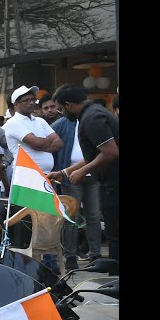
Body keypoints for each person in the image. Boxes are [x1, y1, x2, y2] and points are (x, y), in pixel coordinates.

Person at [50, 85, 118, 264]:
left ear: (68, 105)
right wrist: (65, 172)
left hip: (114, 182)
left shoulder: (92, 118)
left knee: (114, 235)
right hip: (109, 182)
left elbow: (110, 152)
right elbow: (95, 155)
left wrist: (83, 171)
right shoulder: (92, 113)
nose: (61, 113)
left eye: (60, 108)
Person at [3, 85, 65, 270]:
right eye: (27, 100)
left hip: (46, 177)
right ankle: (33, 266)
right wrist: (42, 143)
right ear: (16, 104)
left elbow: (58, 142)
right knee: (31, 222)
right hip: (27, 178)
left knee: (48, 221)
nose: (32, 103)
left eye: (33, 99)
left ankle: (50, 264)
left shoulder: (39, 121)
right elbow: (38, 143)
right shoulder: (14, 123)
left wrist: (39, 144)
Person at [49, 96, 100, 269]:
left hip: (93, 174)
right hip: (69, 176)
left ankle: (96, 255)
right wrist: (60, 172)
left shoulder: (92, 120)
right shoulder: (61, 124)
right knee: (71, 217)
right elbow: (52, 150)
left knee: (93, 216)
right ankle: (70, 256)